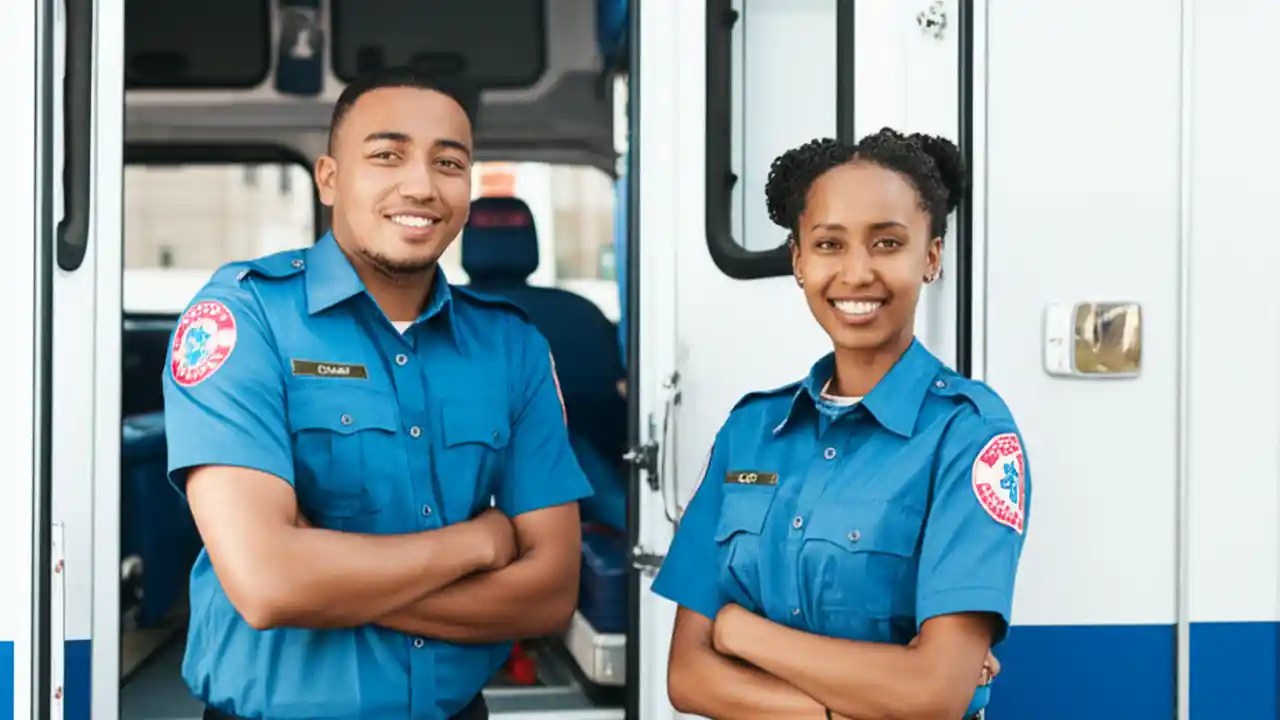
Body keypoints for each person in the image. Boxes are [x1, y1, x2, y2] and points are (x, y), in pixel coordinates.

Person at [161, 66, 593, 720]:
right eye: (387, 155)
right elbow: (268, 584)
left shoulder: (512, 346)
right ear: (329, 179)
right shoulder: (245, 318)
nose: (420, 185)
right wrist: (477, 546)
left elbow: (550, 595)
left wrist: (324, 581)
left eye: (449, 163)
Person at [651, 128, 1030, 719]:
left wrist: (741, 632)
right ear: (798, 261)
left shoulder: (970, 436)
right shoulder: (749, 432)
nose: (856, 273)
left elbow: (932, 693)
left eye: (887, 243)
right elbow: (688, 677)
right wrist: (853, 706)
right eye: (829, 244)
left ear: (931, 257)